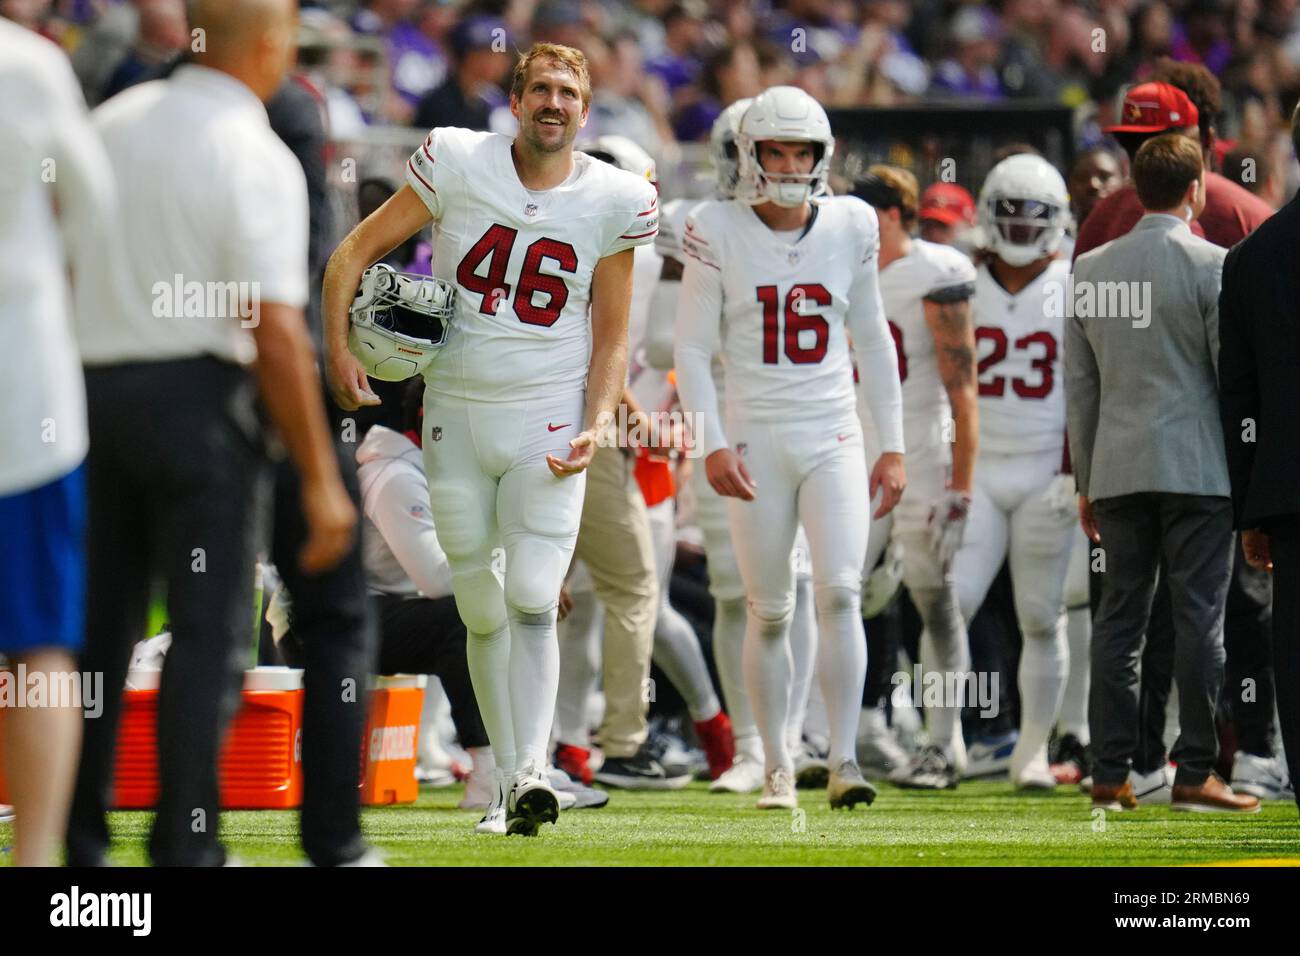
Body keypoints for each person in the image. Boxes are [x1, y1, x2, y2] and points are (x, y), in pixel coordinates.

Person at [322, 42, 658, 836]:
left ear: (585, 107)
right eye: (539, 87)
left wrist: (600, 416)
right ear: (514, 100)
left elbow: (611, 333)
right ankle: (508, 780)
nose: (552, 102)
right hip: (455, 414)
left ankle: (532, 772)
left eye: (567, 91)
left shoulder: (615, 197)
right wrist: (338, 345)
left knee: (535, 598)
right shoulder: (459, 161)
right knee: (478, 605)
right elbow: (351, 253)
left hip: (545, 415)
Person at [66, 0, 357, 867]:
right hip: (200, 402)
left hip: (91, 397)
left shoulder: (107, 124)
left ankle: (80, 844)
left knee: (98, 636)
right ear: (269, 46)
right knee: (209, 629)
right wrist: (316, 472)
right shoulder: (253, 149)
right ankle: (185, 843)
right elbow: (273, 330)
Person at [674, 85, 906, 811]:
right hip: (756, 435)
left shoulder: (851, 224)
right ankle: (776, 764)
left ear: (821, 155)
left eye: (798, 150)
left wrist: (892, 444)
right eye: (773, 149)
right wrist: (710, 442)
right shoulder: (715, 225)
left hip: (833, 431)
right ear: (750, 153)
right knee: (768, 608)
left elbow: (871, 336)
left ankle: (841, 759)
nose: (785, 162)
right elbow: (689, 344)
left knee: (839, 594)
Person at [1068, 133, 1258, 814]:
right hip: (1198, 469)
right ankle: (1195, 770)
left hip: (1118, 467)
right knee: (1199, 620)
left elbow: (1081, 386)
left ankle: (1110, 772)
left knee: (1119, 623)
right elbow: (1229, 378)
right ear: (1197, 190)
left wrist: (1085, 479)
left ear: (1134, 189)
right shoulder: (1214, 266)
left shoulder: (1089, 269)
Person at [0, 17, 115, 867]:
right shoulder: (30, 66)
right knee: (39, 640)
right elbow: (95, 217)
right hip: (23, 397)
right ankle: (37, 865)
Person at [948, 154, 1078, 791]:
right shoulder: (960, 278)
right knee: (949, 605)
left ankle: (1031, 750)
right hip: (978, 469)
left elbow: (1096, 386)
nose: (1023, 228)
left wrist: (1074, 467)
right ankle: (941, 742)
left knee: (1039, 613)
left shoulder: (1080, 282)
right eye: (1011, 215)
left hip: (1043, 471)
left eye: (1035, 218)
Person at [851, 166, 980, 791]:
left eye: (873, 216)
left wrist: (961, 485)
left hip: (923, 453)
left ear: (899, 216)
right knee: (838, 592)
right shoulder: (841, 262)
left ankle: (942, 739)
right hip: (855, 453)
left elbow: (963, 388)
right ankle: (844, 731)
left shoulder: (936, 271)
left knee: (934, 597)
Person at [1217, 101, 1300, 817]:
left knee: (1295, 654)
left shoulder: (1252, 257)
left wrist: (1250, 508)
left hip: (1288, 492)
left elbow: (1239, 399)